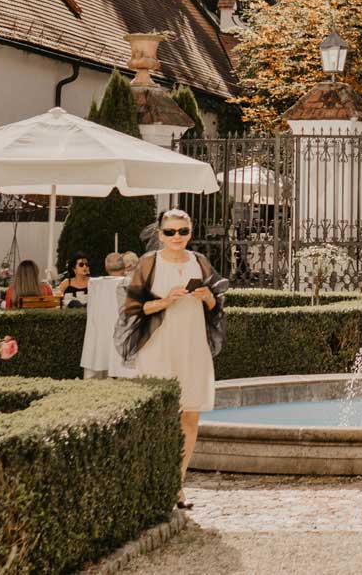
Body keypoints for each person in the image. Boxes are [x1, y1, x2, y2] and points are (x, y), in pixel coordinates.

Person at [118, 209, 229, 510]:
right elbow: (132, 309)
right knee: (162, 415)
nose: (176, 237)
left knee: (190, 415)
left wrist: (206, 296)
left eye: (182, 231)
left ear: (190, 233)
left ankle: (177, 484)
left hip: (193, 345)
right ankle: (154, 480)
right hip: (159, 345)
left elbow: (215, 308)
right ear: (159, 234)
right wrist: (166, 300)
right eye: (170, 232)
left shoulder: (200, 262)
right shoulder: (149, 263)